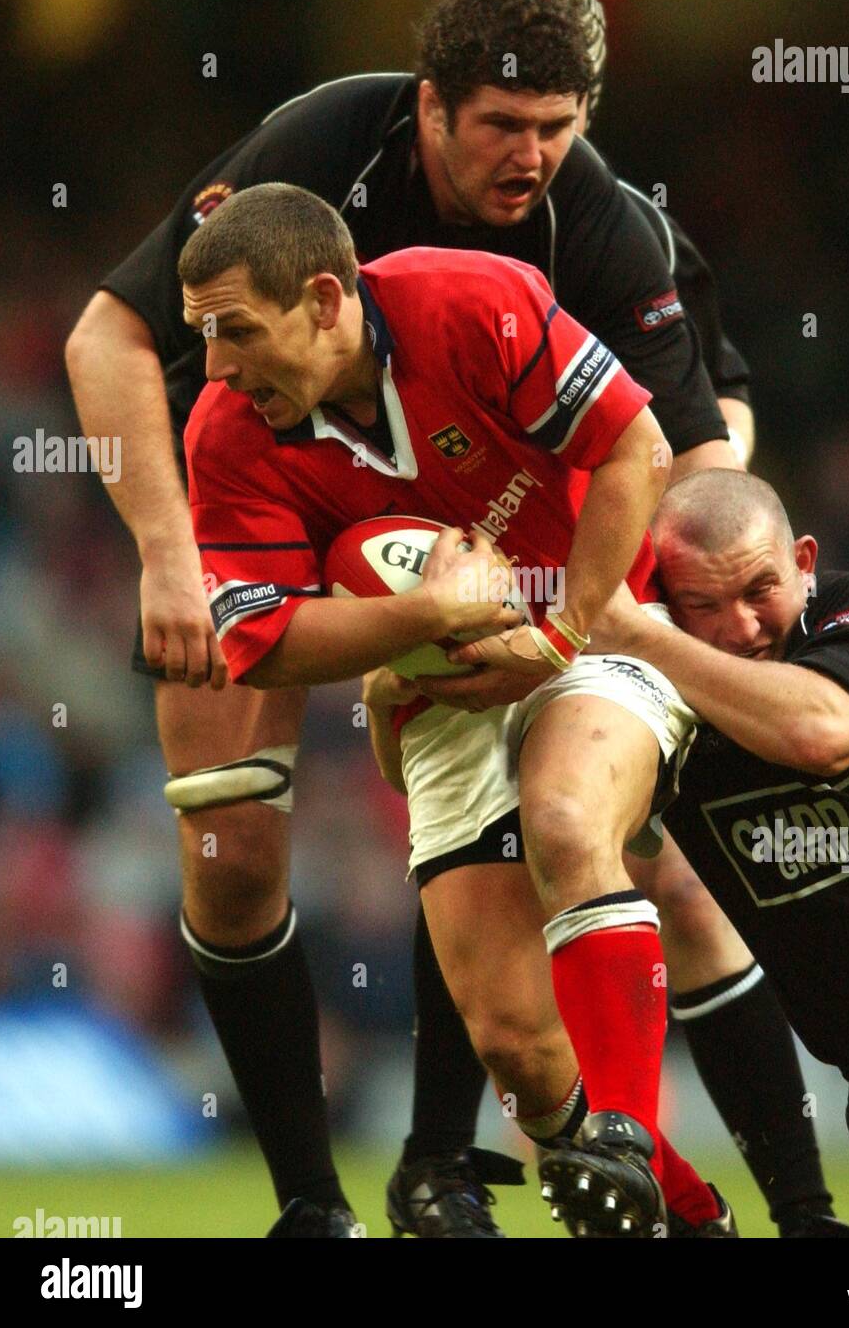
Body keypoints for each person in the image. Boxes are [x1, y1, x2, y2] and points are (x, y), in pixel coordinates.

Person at [62, 0, 824, 1237]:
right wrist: (167, 559)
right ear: (427, 107)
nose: (534, 155)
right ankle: (316, 1201)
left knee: (647, 864)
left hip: (539, 533)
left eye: (558, 127)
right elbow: (112, 336)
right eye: (503, 126)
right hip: (308, 522)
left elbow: (685, 459)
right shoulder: (316, 153)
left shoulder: (600, 229)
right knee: (230, 853)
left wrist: (614, 634)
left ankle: (769, 1214)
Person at [174, 181, 734, 1238]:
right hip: (439, 690)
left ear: (327, 298)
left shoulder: (473, 301)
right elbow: (261, 646)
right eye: (202, 336)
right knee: (518, 1048)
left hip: (588, 626)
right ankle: (692, 1215)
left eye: (237, 331)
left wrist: (560, 633)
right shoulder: (224, 434)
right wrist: (427, 614)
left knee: (568, 819)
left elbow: (637, 450)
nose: (216, 366)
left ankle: (625, 1132)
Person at [529, 467, 849, 1235]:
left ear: (803, 561)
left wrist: (639, 632)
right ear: (664, 595)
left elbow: (820, 734)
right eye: (701, 603)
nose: (739, 627)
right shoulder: (655, 709)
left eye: (759, 590)